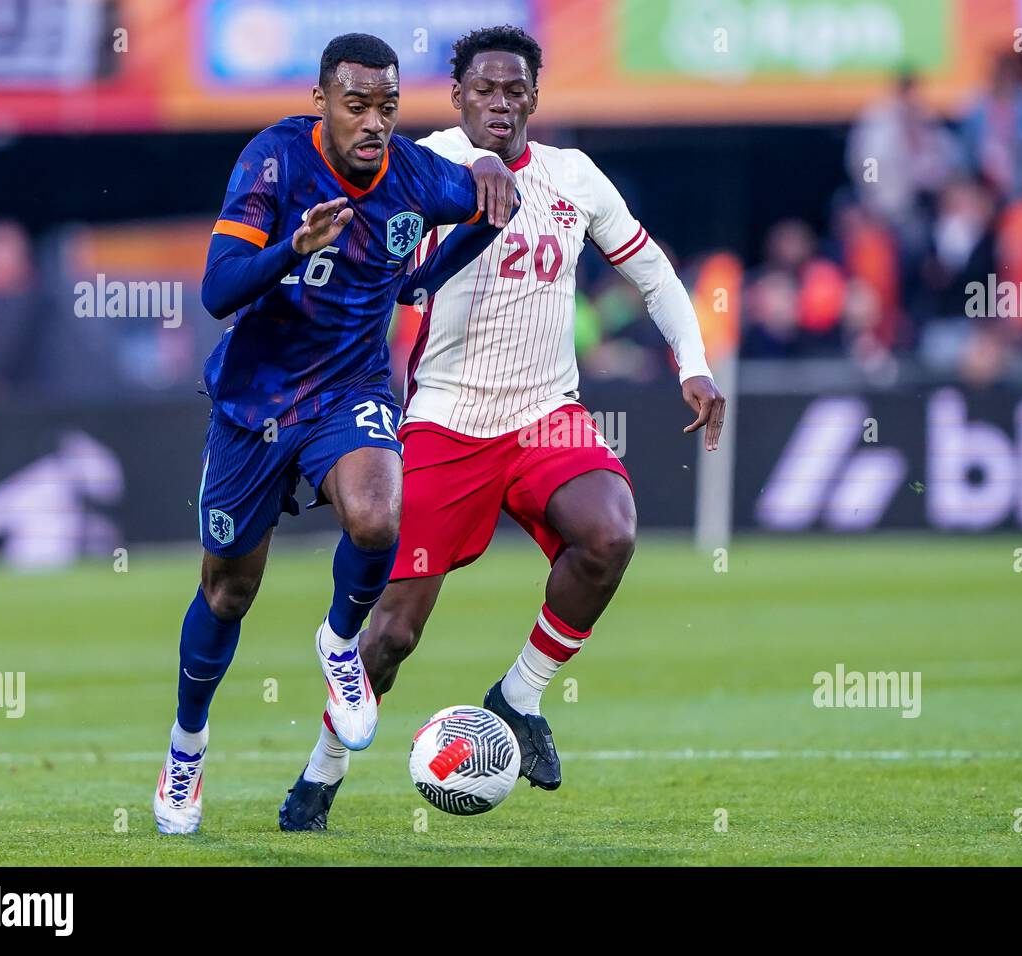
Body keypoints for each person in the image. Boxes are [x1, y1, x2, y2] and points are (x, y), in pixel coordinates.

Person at [280, 25, 724, 829]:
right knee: (392, 635)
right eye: (483, 89)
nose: (499, 103)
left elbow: (650, 269)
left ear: (533, 98)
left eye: (514, 89)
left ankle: (517, 697)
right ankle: (322, 770)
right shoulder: (418, 164)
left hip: (544, 415)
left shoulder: (573, 176)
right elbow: (353, 249)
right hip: (445, 423)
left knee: (611, 533)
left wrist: (692, 362)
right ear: (457, 97)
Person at [153, 32, 520, 835]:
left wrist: (437, 262)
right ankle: (186, 752)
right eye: (356, 105)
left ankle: (340, 642)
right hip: (255, 404)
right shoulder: (273, 162)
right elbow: (217, 290)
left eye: (388, 106)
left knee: (378, 515)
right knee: (228, 590)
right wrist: (294, 247)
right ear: (321, 102)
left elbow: (499, 199)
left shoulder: (416, 174)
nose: (374, 122)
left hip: (348, 392)